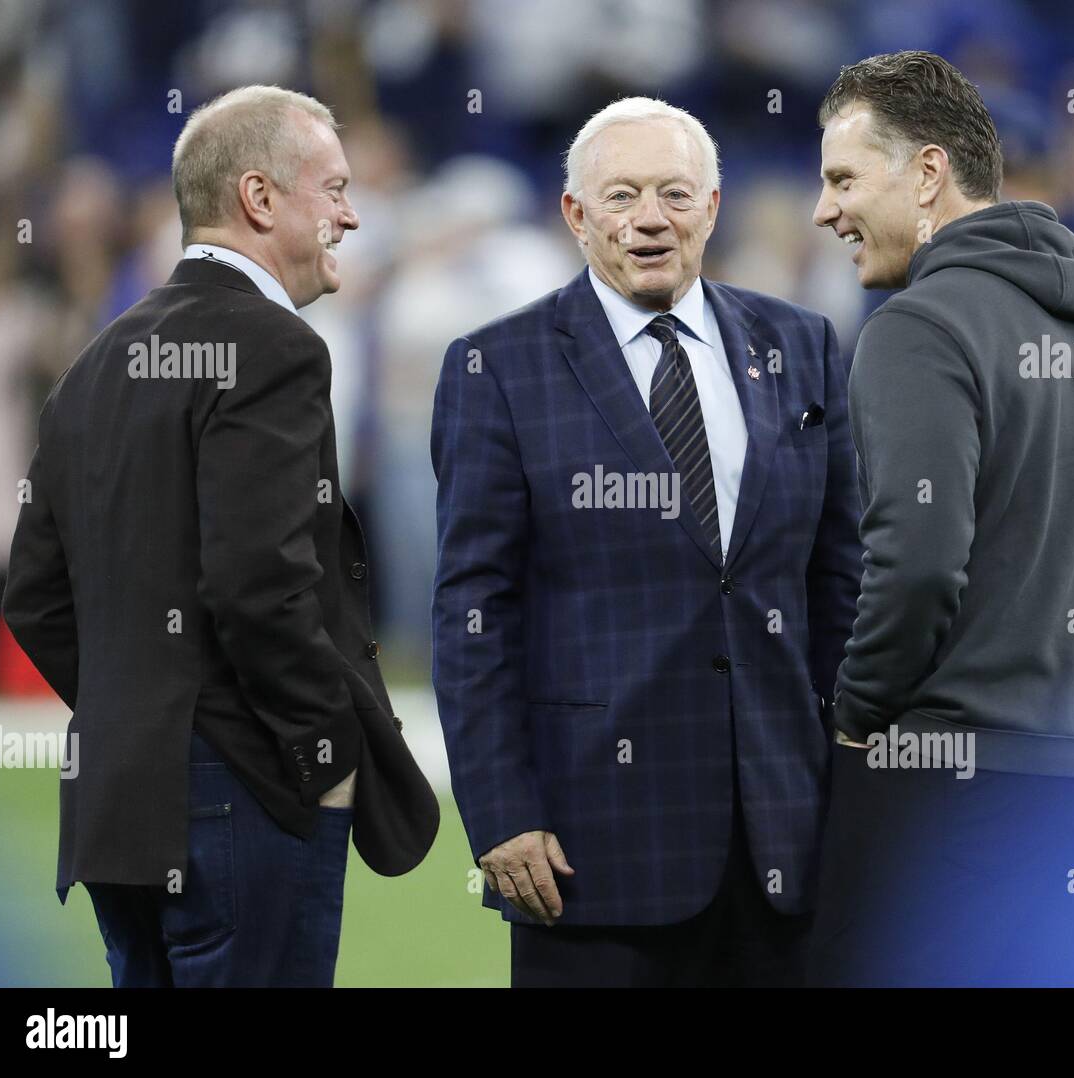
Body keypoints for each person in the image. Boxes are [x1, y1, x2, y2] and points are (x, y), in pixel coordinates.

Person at [2, 84, 438, 988]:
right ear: (259, 197)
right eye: (335, 188)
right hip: (248, 803)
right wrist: (320, 758)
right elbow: (258, 585)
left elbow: (35, 598)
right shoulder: (273, 345)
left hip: (118, 809)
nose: (353, 216)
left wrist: (143, 713)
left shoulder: (96, 360)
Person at [809, 51, 1074, 985]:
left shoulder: (916, 329)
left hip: (951, 805)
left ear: (926, 173)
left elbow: (917, 562)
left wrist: (860, 713)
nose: (824, 210)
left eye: (843, 178)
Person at [431, 97, 861, 987]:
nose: (650, 219)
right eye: (621, 196)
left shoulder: (801, 345)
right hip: (589, 856)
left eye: (674, 192)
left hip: (786, 847)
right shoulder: (497, 368)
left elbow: (841, 585)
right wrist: (501, 811)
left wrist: (860, 796)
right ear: (575, 217)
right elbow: (474, 610)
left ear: (712, 206)